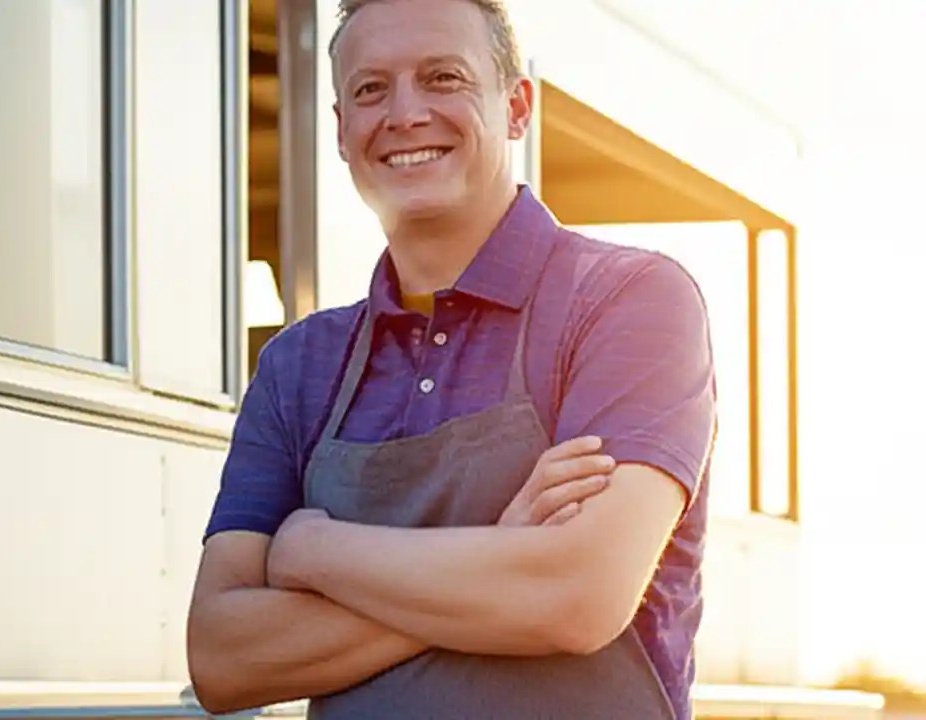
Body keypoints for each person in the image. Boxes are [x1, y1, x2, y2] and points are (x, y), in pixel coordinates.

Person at [186, 0, 715, 717]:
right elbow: (223, 659)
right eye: (371, 89)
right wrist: (502, 556)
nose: (405, 113)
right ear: (342, 131)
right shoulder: (297, 367)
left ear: (517, 106)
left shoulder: (629, 302)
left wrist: (315, 551)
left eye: (443, 78)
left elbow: (578, 599)